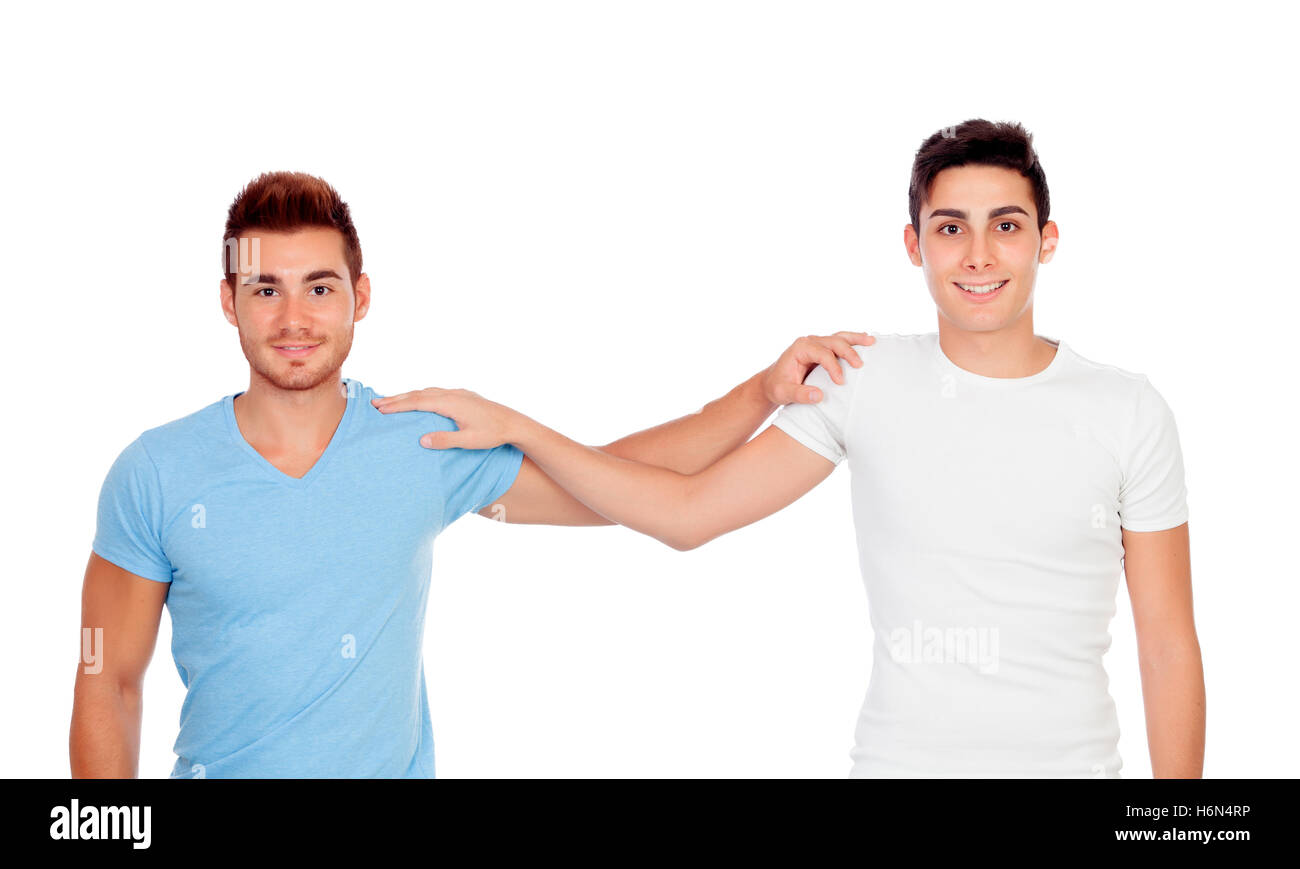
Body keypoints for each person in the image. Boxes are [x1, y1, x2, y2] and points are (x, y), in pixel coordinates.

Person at [379, 119, 1205, 778]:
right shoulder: (862, 379)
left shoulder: (1126, 408)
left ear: (1046, 240)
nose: (980, 254)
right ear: (915, 245)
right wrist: (523, 428)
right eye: (951, 227)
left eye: (1006, 226)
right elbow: (684, 514)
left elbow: (1167, 640)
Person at [70, 170, 870, 778]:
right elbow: (109, 680)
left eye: (319, 287)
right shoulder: (155, 473)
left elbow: (613, 478)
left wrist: (763, 391)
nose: (293, 319)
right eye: (264, 289)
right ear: (228, 300)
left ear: (361, 297)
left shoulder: (417, 445)